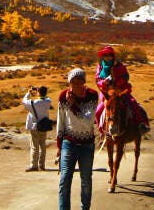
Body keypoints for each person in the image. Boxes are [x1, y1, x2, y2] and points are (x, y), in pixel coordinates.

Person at [56, 68, 98, 210]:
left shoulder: (92, 95)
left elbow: (87, 123)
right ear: (69, 83)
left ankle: (85, 207)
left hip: (86, 144)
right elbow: (60, 122)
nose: (76, 85)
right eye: (73, 82)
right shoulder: (63, 96)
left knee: (86, 180)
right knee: (64, 179)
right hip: (69, 143)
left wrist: (73, 105)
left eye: (79, 82)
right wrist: (58, 146)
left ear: (84, 82)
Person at [94, 45, 149, 132]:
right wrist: (103, 83)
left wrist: (116, 83)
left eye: (109, 55)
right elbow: (97, 79)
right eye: (105, 55)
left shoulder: (120, 66)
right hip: (106, 93)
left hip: (120, 91)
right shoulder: (100, 67)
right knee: (98, 111)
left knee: (133, 104)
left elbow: (125, 77)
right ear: (103, 57)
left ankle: (142, 124)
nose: (107, 57)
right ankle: (101, 131)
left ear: (113, 56)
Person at [22, 85, 52, 171]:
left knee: (35, 146)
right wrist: (41, 91)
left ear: (39, 92)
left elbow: (24, 101)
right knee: (43, 146)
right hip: (44, 126)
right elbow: (46, 97)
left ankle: (34, 165)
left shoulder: (33, 103)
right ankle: (42, 165)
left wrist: (29, 93)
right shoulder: (48, 101)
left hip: (35, 126)